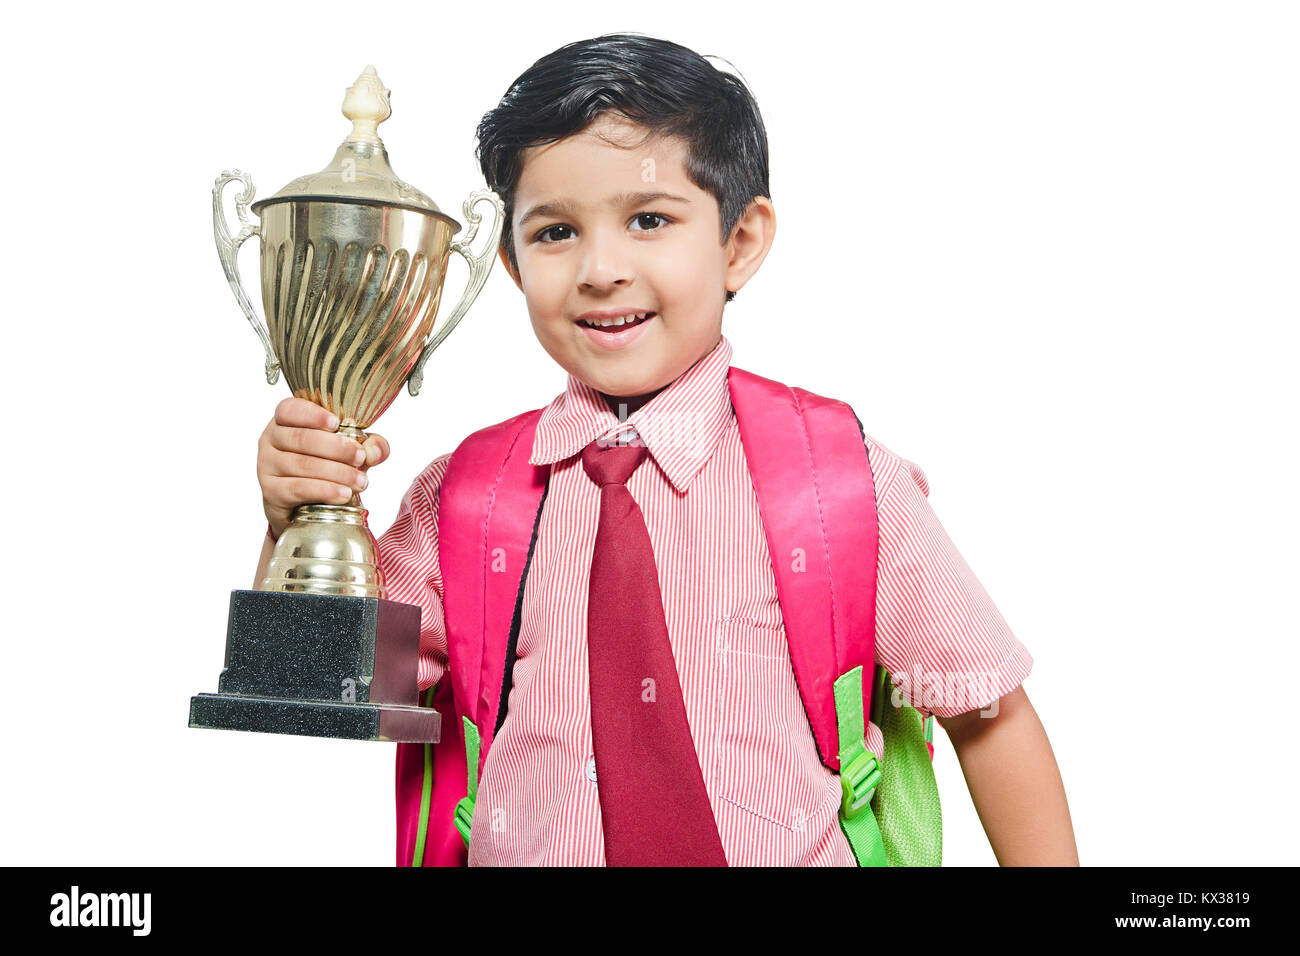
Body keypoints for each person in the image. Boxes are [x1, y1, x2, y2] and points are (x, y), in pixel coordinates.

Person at [253, 33, 1078, 866]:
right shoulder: (468, 499)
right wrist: (295, 523)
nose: (601, 268)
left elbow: (988, 715)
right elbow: (314, 689)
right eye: (555, 232)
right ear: (509, 262)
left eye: (649, 220)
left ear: (740, 242)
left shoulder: (837, 484)